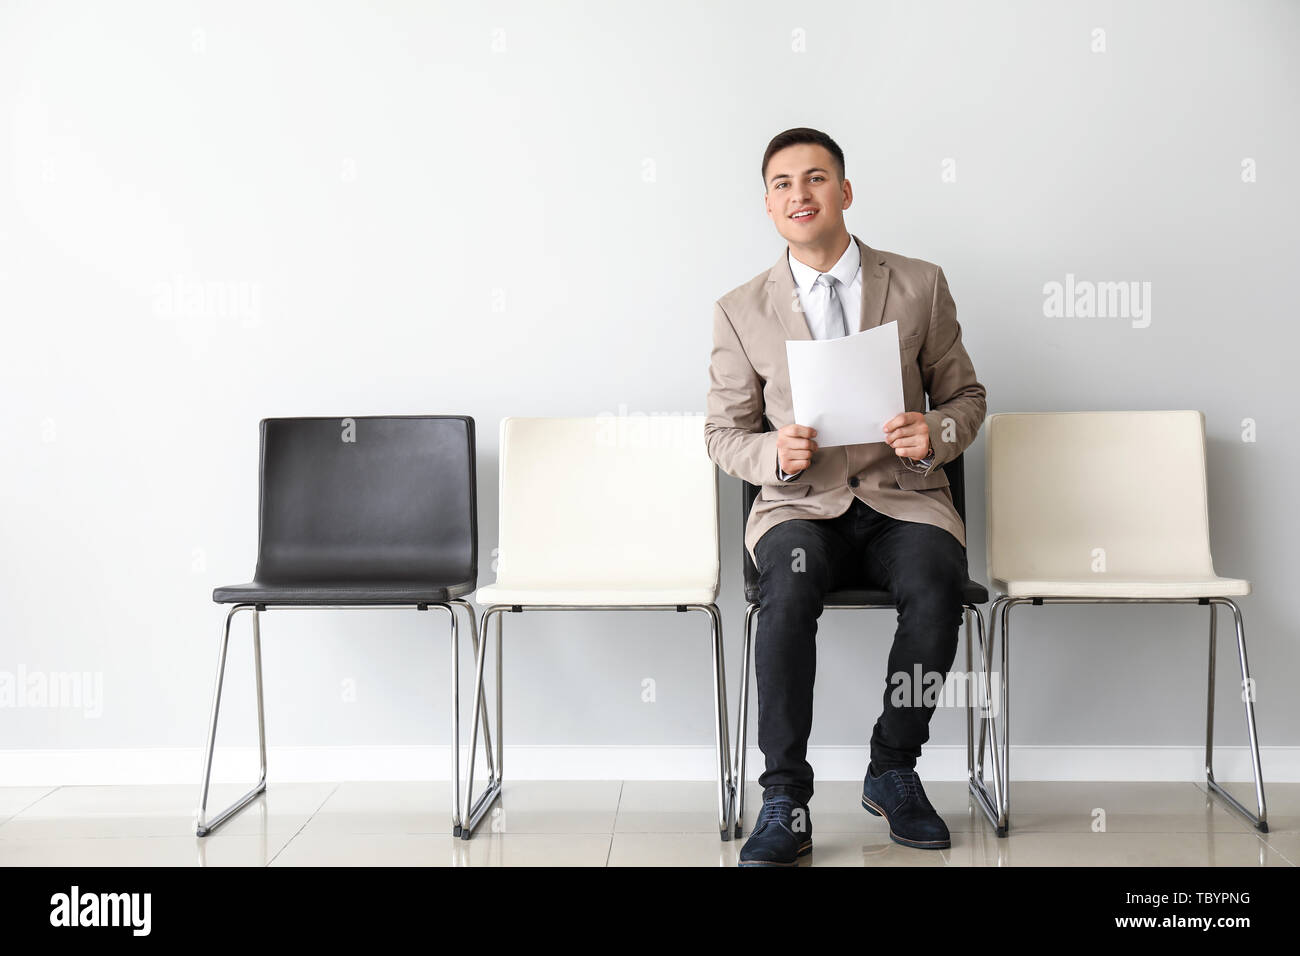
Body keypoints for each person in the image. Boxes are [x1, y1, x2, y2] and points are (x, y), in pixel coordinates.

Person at [704, 127, 987, 866]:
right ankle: (784, 799)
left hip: (904, 499)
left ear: (845, 192)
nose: (800, 194)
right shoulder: (740, 309)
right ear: (768, 206)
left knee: (937, 586)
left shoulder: (920, 283)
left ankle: (893, 766)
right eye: (782, 184)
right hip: (800, 509)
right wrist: (774, 452)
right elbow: (723, 434)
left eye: (816, 178)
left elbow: (966, 397)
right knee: (786, 597)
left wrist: (935, 430)